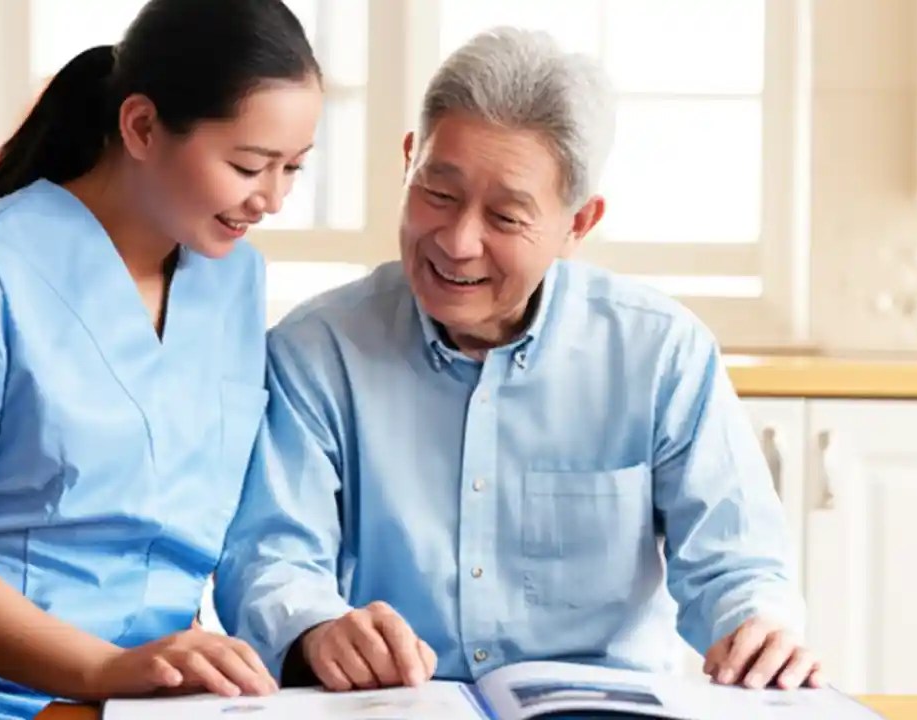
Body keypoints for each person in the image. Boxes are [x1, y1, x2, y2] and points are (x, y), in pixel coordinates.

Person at [216, 27, 823, 695]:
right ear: (410, 160)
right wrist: (317, 629)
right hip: (392, 706)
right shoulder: (317, 351)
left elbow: (739, 566)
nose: (458, 241)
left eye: (506, 217)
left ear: (578, 223)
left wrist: (758, 626)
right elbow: (271, 559)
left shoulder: (661, 355)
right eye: (438, 194)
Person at [0, 1, 323, 718]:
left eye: (293, 168)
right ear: (142, 126)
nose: (272, 199)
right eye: (248, 165)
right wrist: (106, 668)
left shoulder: (235, 278)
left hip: (150, 700)